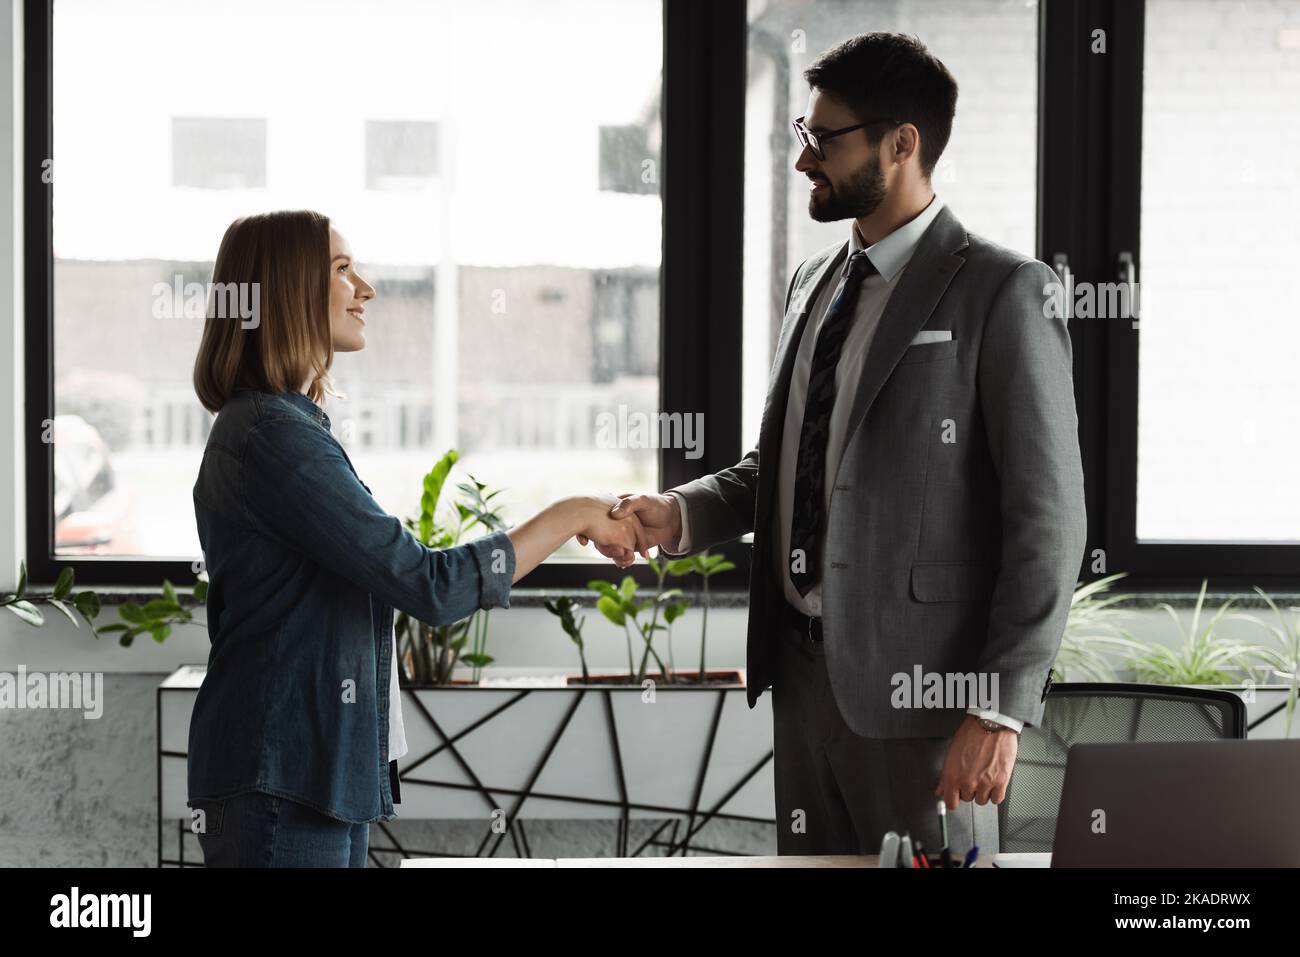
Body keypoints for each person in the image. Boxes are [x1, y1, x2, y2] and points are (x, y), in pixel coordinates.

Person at [587, 33, 1087, 857]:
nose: (804, 161)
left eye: (825, 140)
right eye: (803, 135)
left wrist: (997, 709)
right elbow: (780, 469)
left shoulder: (1005, 291)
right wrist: (674, 513)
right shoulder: (811, 284)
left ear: (902, 144)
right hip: (802, 680)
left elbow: (1050, 521)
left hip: (927, 703)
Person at [186, 209, 643, 867]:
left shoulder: (281, 429)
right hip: (281, 782)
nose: (366, 288)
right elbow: (430, 584)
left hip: (308, 782)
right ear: (287, 290)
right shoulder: (274, 439)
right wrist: (573, 513)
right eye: (342, 270)